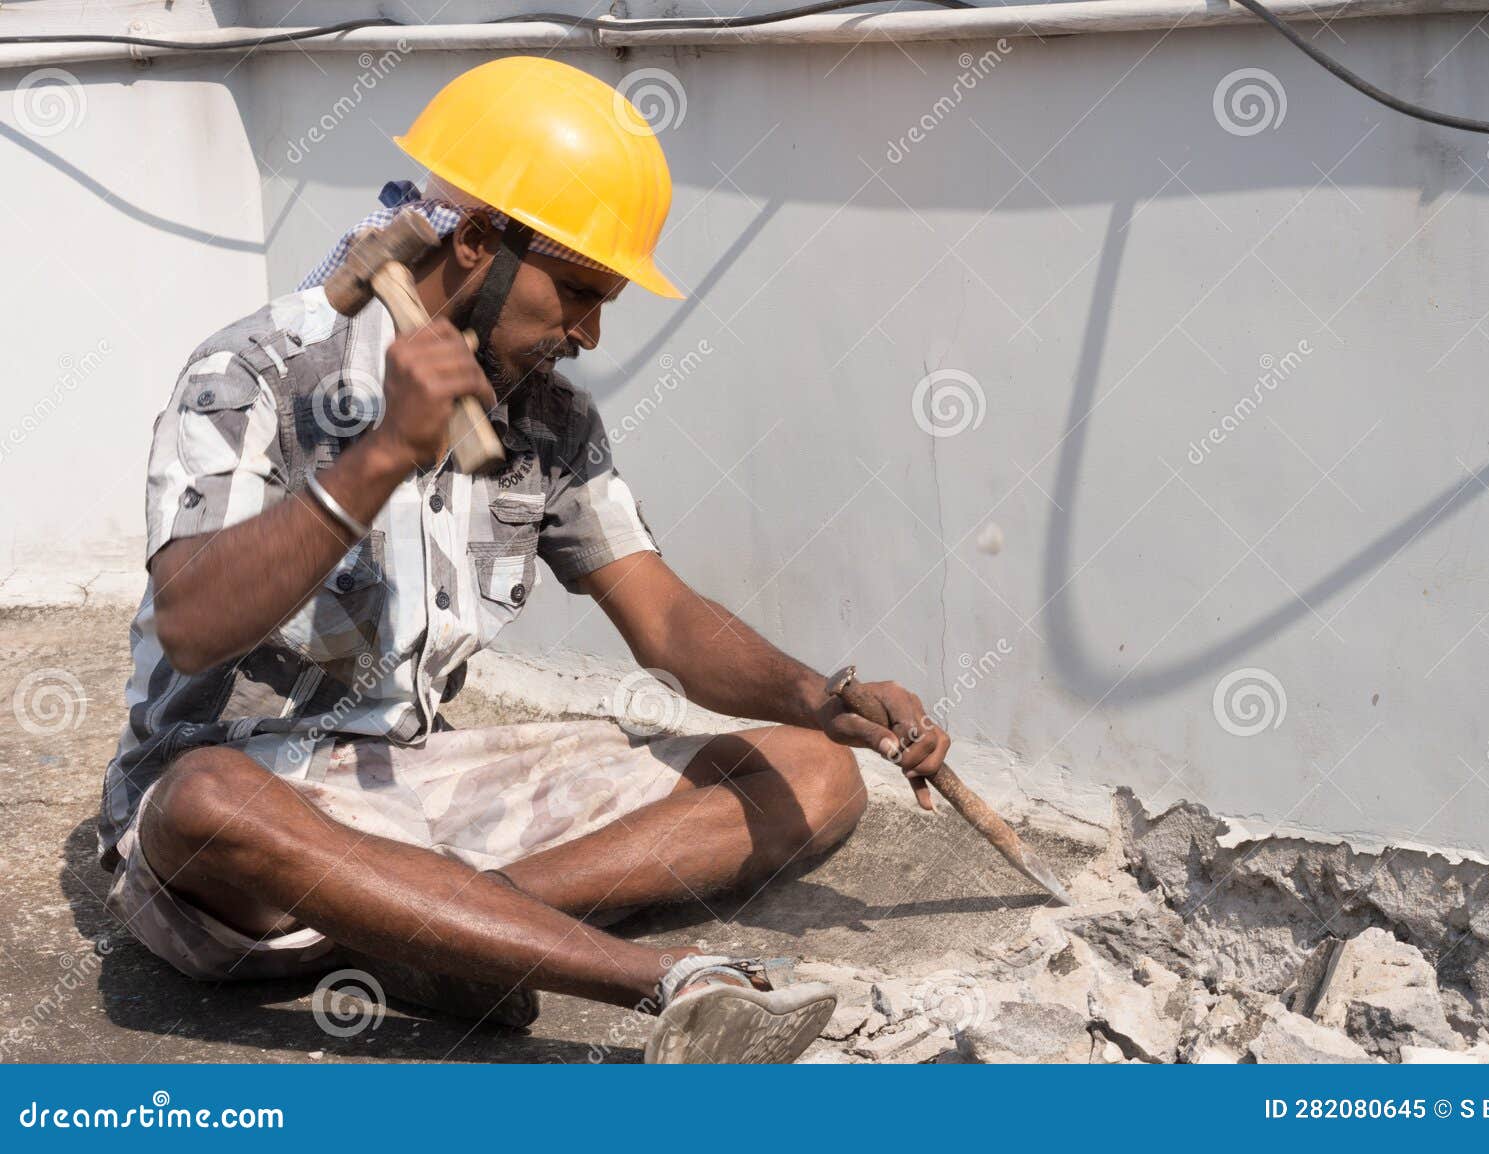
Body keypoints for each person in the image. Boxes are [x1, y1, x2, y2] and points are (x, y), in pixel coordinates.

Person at [99, 56, 950, 1063]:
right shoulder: (253, 372)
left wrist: (820, 694)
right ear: (472, 241)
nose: (589, 332)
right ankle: (658, 978)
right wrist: (381, 457)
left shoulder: (544, 415)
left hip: (415, 783)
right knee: (208, 800)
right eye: (578, 292)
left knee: (809, 768)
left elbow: (666, 621)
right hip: (245, 832)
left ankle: (453, 929)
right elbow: (193, 621)